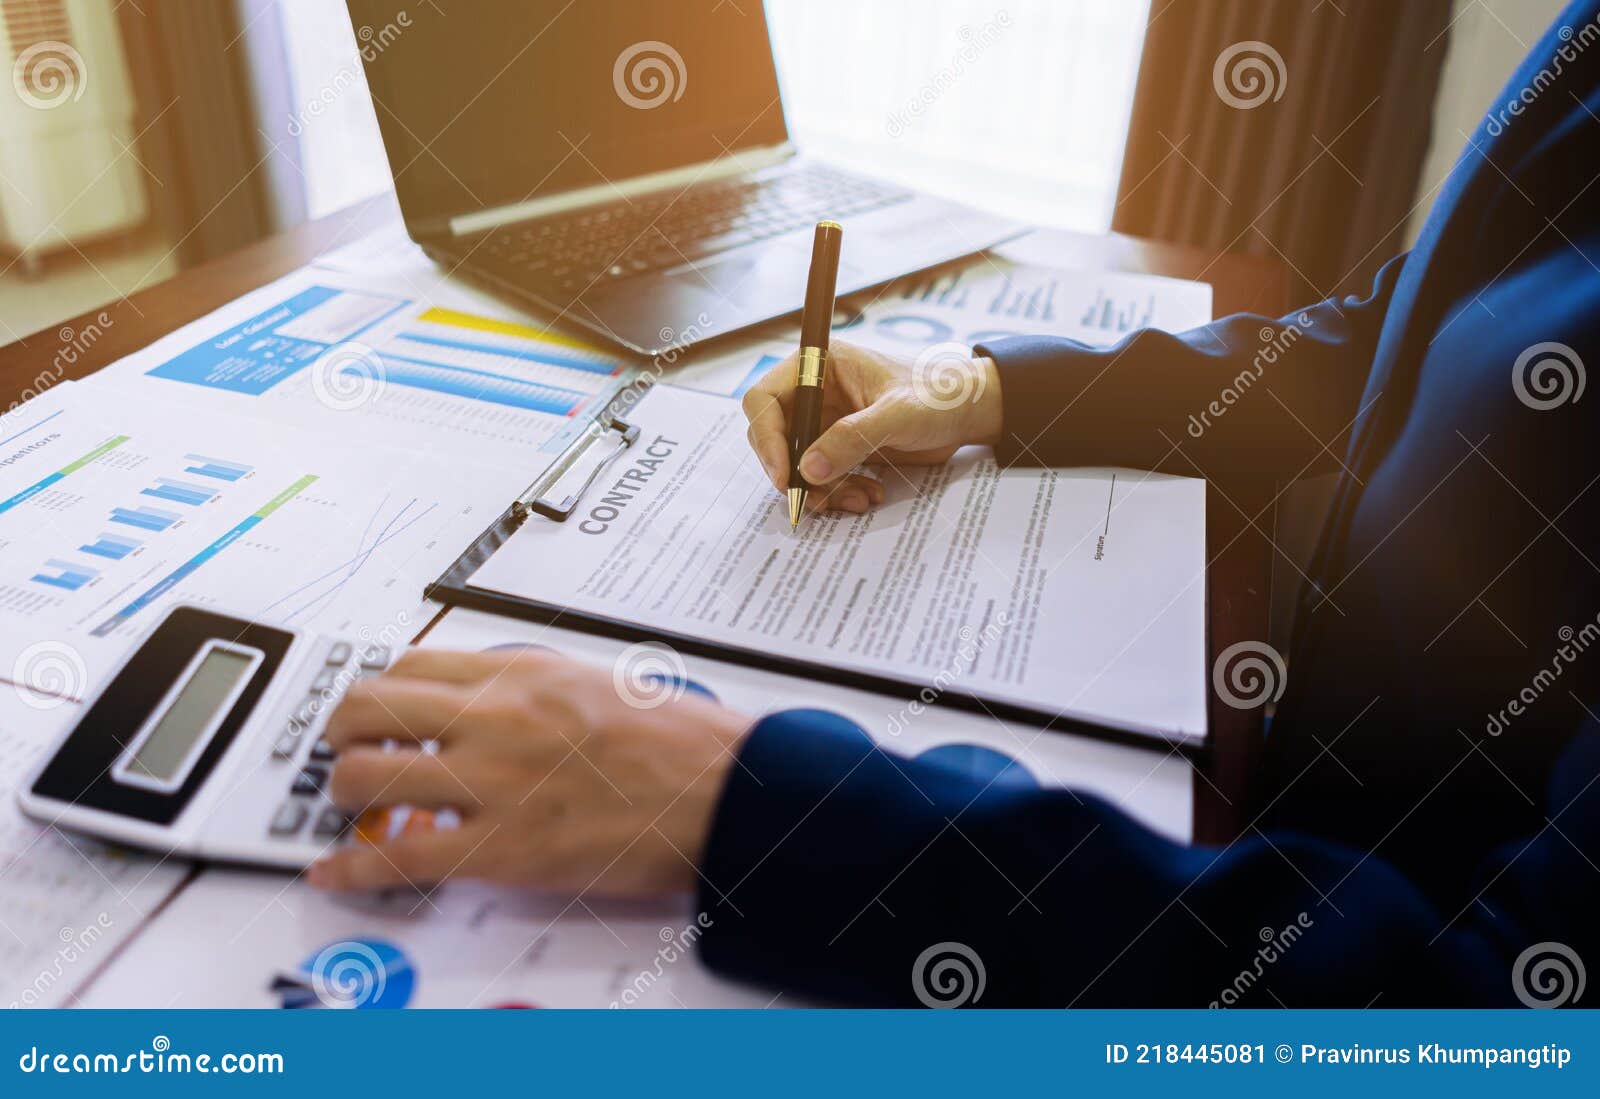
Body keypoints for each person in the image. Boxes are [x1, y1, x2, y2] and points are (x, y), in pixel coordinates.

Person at [311, 2, 1600, 1006]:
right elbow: (1394, 337)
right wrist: (978, 391)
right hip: (1296, 771)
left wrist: (747, 802)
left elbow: (1474, 1012)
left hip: (1312, 898)